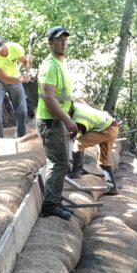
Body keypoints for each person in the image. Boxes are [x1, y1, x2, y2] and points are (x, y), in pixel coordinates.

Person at [36, 26, 78, 220]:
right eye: (59, 39)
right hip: (50, 121)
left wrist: (70, 112)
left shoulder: (60, 63)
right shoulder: (50, 65)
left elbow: (62, 96)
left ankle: (55, 200)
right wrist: (67, 120)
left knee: (61, 162)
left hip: (57, 120)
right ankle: (50, 205)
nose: (63, 42)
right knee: (58, 162)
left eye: (65, 39)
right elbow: (48, 97)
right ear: (50, 42)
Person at [70, 102, 121, 195]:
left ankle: (75, 173)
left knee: (79, 144)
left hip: (105, 129)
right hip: (113, 127)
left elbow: (76, 132)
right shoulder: (78, 106)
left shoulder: (77, 117)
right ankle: (112, 188)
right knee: (104, 159)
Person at [0, 35, 32, 138]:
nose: (1, 51)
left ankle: (21, 135)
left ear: (5, 43)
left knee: (22, 109)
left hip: (15, 79)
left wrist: (29, 62)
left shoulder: (15, 48)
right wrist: (20, 79)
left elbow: (26, 65)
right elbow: (4, 78)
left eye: (2, 47)